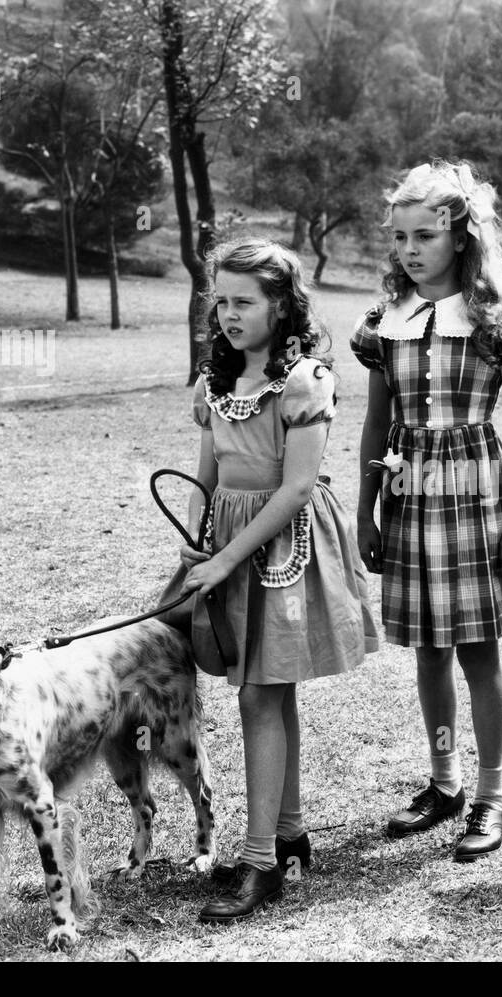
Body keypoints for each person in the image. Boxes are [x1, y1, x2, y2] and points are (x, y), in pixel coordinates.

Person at [170, 238, 378, 921]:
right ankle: (288, 835)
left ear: (282, 305)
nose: (229, 313)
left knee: (261, 693)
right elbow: (205, 476)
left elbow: (294, 489)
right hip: (226, 544)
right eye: (220, 300)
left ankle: (261, 862)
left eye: (245, 301)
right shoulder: (216, 383)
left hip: (280, 545)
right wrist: (197, 546)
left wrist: (229, 558)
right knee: (264, 689)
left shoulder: (303, 382)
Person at [351, 160, 502, 861]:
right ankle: (445, 781)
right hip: (410, 499)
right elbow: (377, 426)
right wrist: (365, 509)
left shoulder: (495, 319)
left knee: (476, 650)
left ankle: (492, 795)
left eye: (426, 235)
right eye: (400, 236)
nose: (410, 249)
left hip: (475, 497)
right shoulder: (386, 322)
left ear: (460, 237)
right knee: (428, 651)